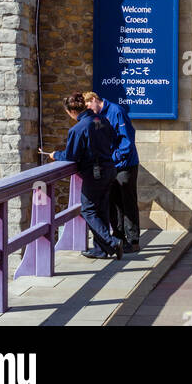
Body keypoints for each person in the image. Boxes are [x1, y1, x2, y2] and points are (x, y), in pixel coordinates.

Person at [39, 92, 121, 260]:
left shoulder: (78, 128)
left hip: (94, 172)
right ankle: (100, 249)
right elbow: (112, 140)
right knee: (102, 210)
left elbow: (72, 156)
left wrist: (56, 155)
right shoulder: (101, 120)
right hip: (109, 168)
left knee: (88, 210)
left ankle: (111, 242)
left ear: (71, 111)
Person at [85, 90, 141, 254]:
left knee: (127, 202)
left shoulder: (116, 111)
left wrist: (113, 158)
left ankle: (133, 240)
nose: (89, 110)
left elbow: (126, 141)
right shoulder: (97, 116)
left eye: (89, 106)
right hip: (110, 166)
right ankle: (119, 237)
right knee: (113, 203)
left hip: (125, 165)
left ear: (95, 99)